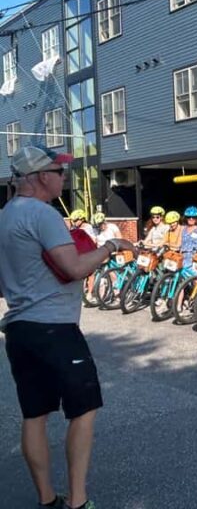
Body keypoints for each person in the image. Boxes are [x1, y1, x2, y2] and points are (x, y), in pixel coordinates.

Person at [0, 146, 134, 509]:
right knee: (84, 408)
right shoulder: (42, 215)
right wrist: (110, 246)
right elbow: (74, 268)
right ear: (42, 176)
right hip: (55, 329)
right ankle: (78, 501)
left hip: (19, 329)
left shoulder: (6, 215)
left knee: (34, 414)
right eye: (59, 172)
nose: (64, 177)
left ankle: (47, 500)